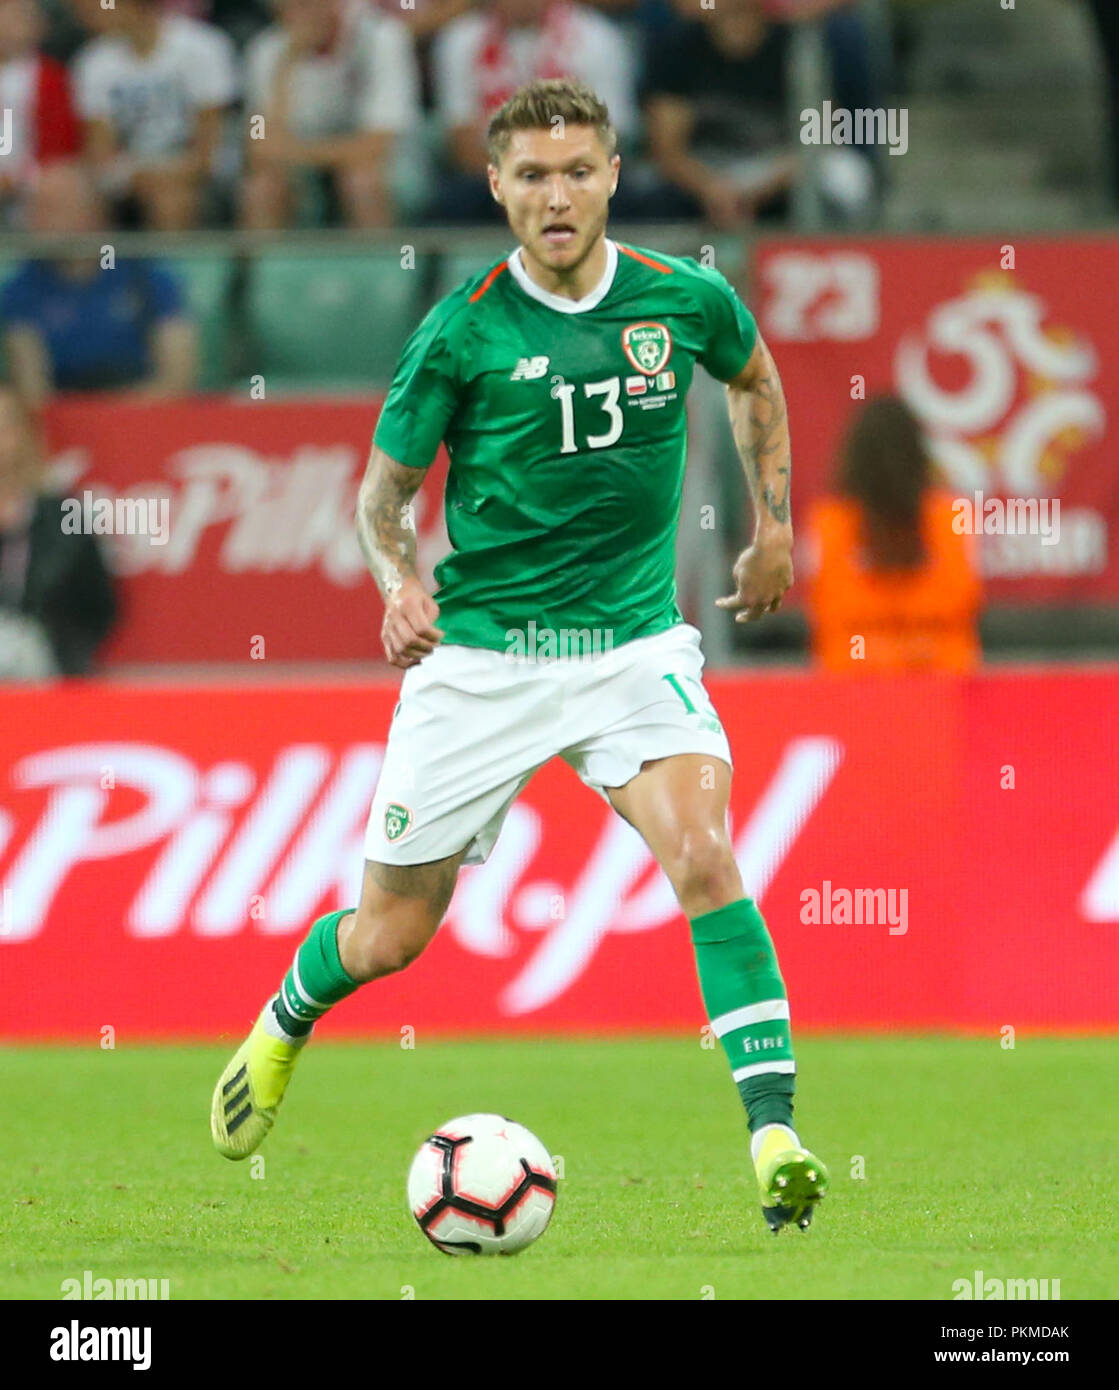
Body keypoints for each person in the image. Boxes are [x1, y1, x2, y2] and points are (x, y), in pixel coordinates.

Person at [211, 76, 829, 1235]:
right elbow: (382, 499)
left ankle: (776, 1135)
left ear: (611, 176)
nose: (557, 195)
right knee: (391, 936)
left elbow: (753, 374)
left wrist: (775, 520)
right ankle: (285, 1020)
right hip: (484, 660)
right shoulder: (460, 332)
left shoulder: (679, 298)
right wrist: (398, 587)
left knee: (705, 857)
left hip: (633, 646)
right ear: (496, 187)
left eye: (578, 171)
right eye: (532, 175)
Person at [802, 395, 982, 672]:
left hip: (854, 687)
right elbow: (962, 604)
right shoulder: (952, 519)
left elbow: (827, 612)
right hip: (939, 687)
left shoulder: (828, 524)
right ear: (919, 455)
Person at [0, 161, 197, 407]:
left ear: (89, 215)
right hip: (64, 421)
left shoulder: (146, 276)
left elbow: (177, 377)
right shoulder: (20, 289)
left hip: (143, 413)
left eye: (50, 208)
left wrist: (113, 416)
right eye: (33, 208)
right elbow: (33, 391)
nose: (35, 220)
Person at [241, 0, 420, 229]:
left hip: (391, 164)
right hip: (304, 162)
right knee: (263, 187)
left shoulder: (384, 38)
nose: (300, 12)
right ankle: (264, 265)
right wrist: (285, 66)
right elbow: (259, 145)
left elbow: (376, 146)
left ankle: (382, 263)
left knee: (361, 181)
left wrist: (294, 152)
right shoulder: (265, 49)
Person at [71, 0, 236, 229]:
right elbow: (100, 151)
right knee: (68, 198)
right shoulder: (93, 61)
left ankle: (170, 265)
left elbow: (208, 150)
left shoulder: (203, 46)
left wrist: (162, 177)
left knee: (170, 201)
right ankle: (103, 265)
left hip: (198, 172)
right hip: (130, 174)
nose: (93, 11)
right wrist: (132, 176)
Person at [0, 383, 118, 678]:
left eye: (5, 425)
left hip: (45, 670)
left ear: (26, 434)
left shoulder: (63, 516)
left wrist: (64, 650)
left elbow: (99, 605)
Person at [0, 0, 81, 229]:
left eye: (20, 16)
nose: (8, 25)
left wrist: (17, 179)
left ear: (39, 26)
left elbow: (61, 148)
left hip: (35, 182)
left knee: (61, 188)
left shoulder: (53, 78)